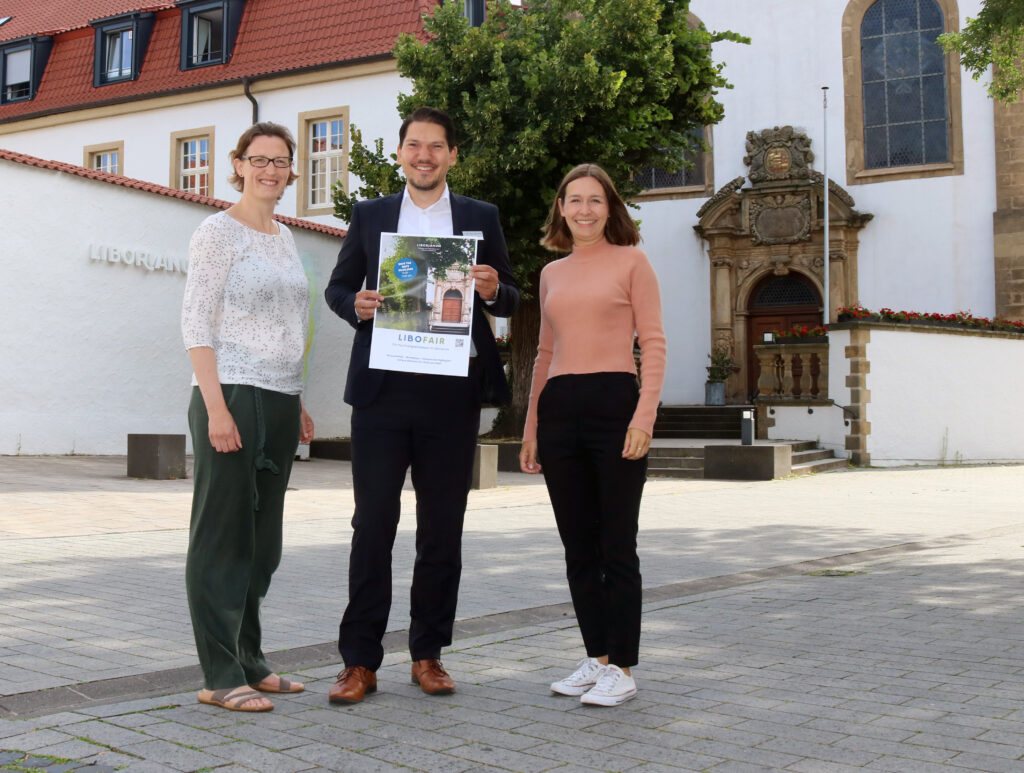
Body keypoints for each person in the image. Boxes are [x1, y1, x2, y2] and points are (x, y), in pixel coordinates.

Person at [324, 107, 520, 704]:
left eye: (437, 146)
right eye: (415, 145)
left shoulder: (480, 217)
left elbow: (511, 297)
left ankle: (429, 654)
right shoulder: (371, 215)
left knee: (442, 530)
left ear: (452, 155)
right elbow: (337, 287)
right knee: (372, 527)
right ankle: (360, 661)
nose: (425, 156)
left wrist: (491, 290)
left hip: (450, 395)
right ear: (401, 152)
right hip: (383, 395)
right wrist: (353, 304)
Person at [519, 163, 666, 707]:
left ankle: (623, 667)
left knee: (616, 544)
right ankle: (596, 656)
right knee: (577, 546)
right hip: (560, 409)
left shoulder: (633, 261)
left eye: (594, 201)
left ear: (610, 209)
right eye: (574, 200)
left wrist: (643, 417)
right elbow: (544, 355)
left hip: (614, 404)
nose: (584, 210)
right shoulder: (551, 273)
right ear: (561, 207)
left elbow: (652, 342)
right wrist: (532, 427)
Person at [181, 122, 315, 713]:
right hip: (230, 394)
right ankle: (218, 672)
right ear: (237, 165)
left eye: (281, 161)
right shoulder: (216, 232)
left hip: (280, 399)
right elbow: (196, 323)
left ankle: (251, 660)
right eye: (259, 160)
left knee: (264, 545)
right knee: (222, 538)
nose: (270, 170)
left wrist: (298, 398)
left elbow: (288, 326)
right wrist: (214, 408)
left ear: (291, 171)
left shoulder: (285, 238)